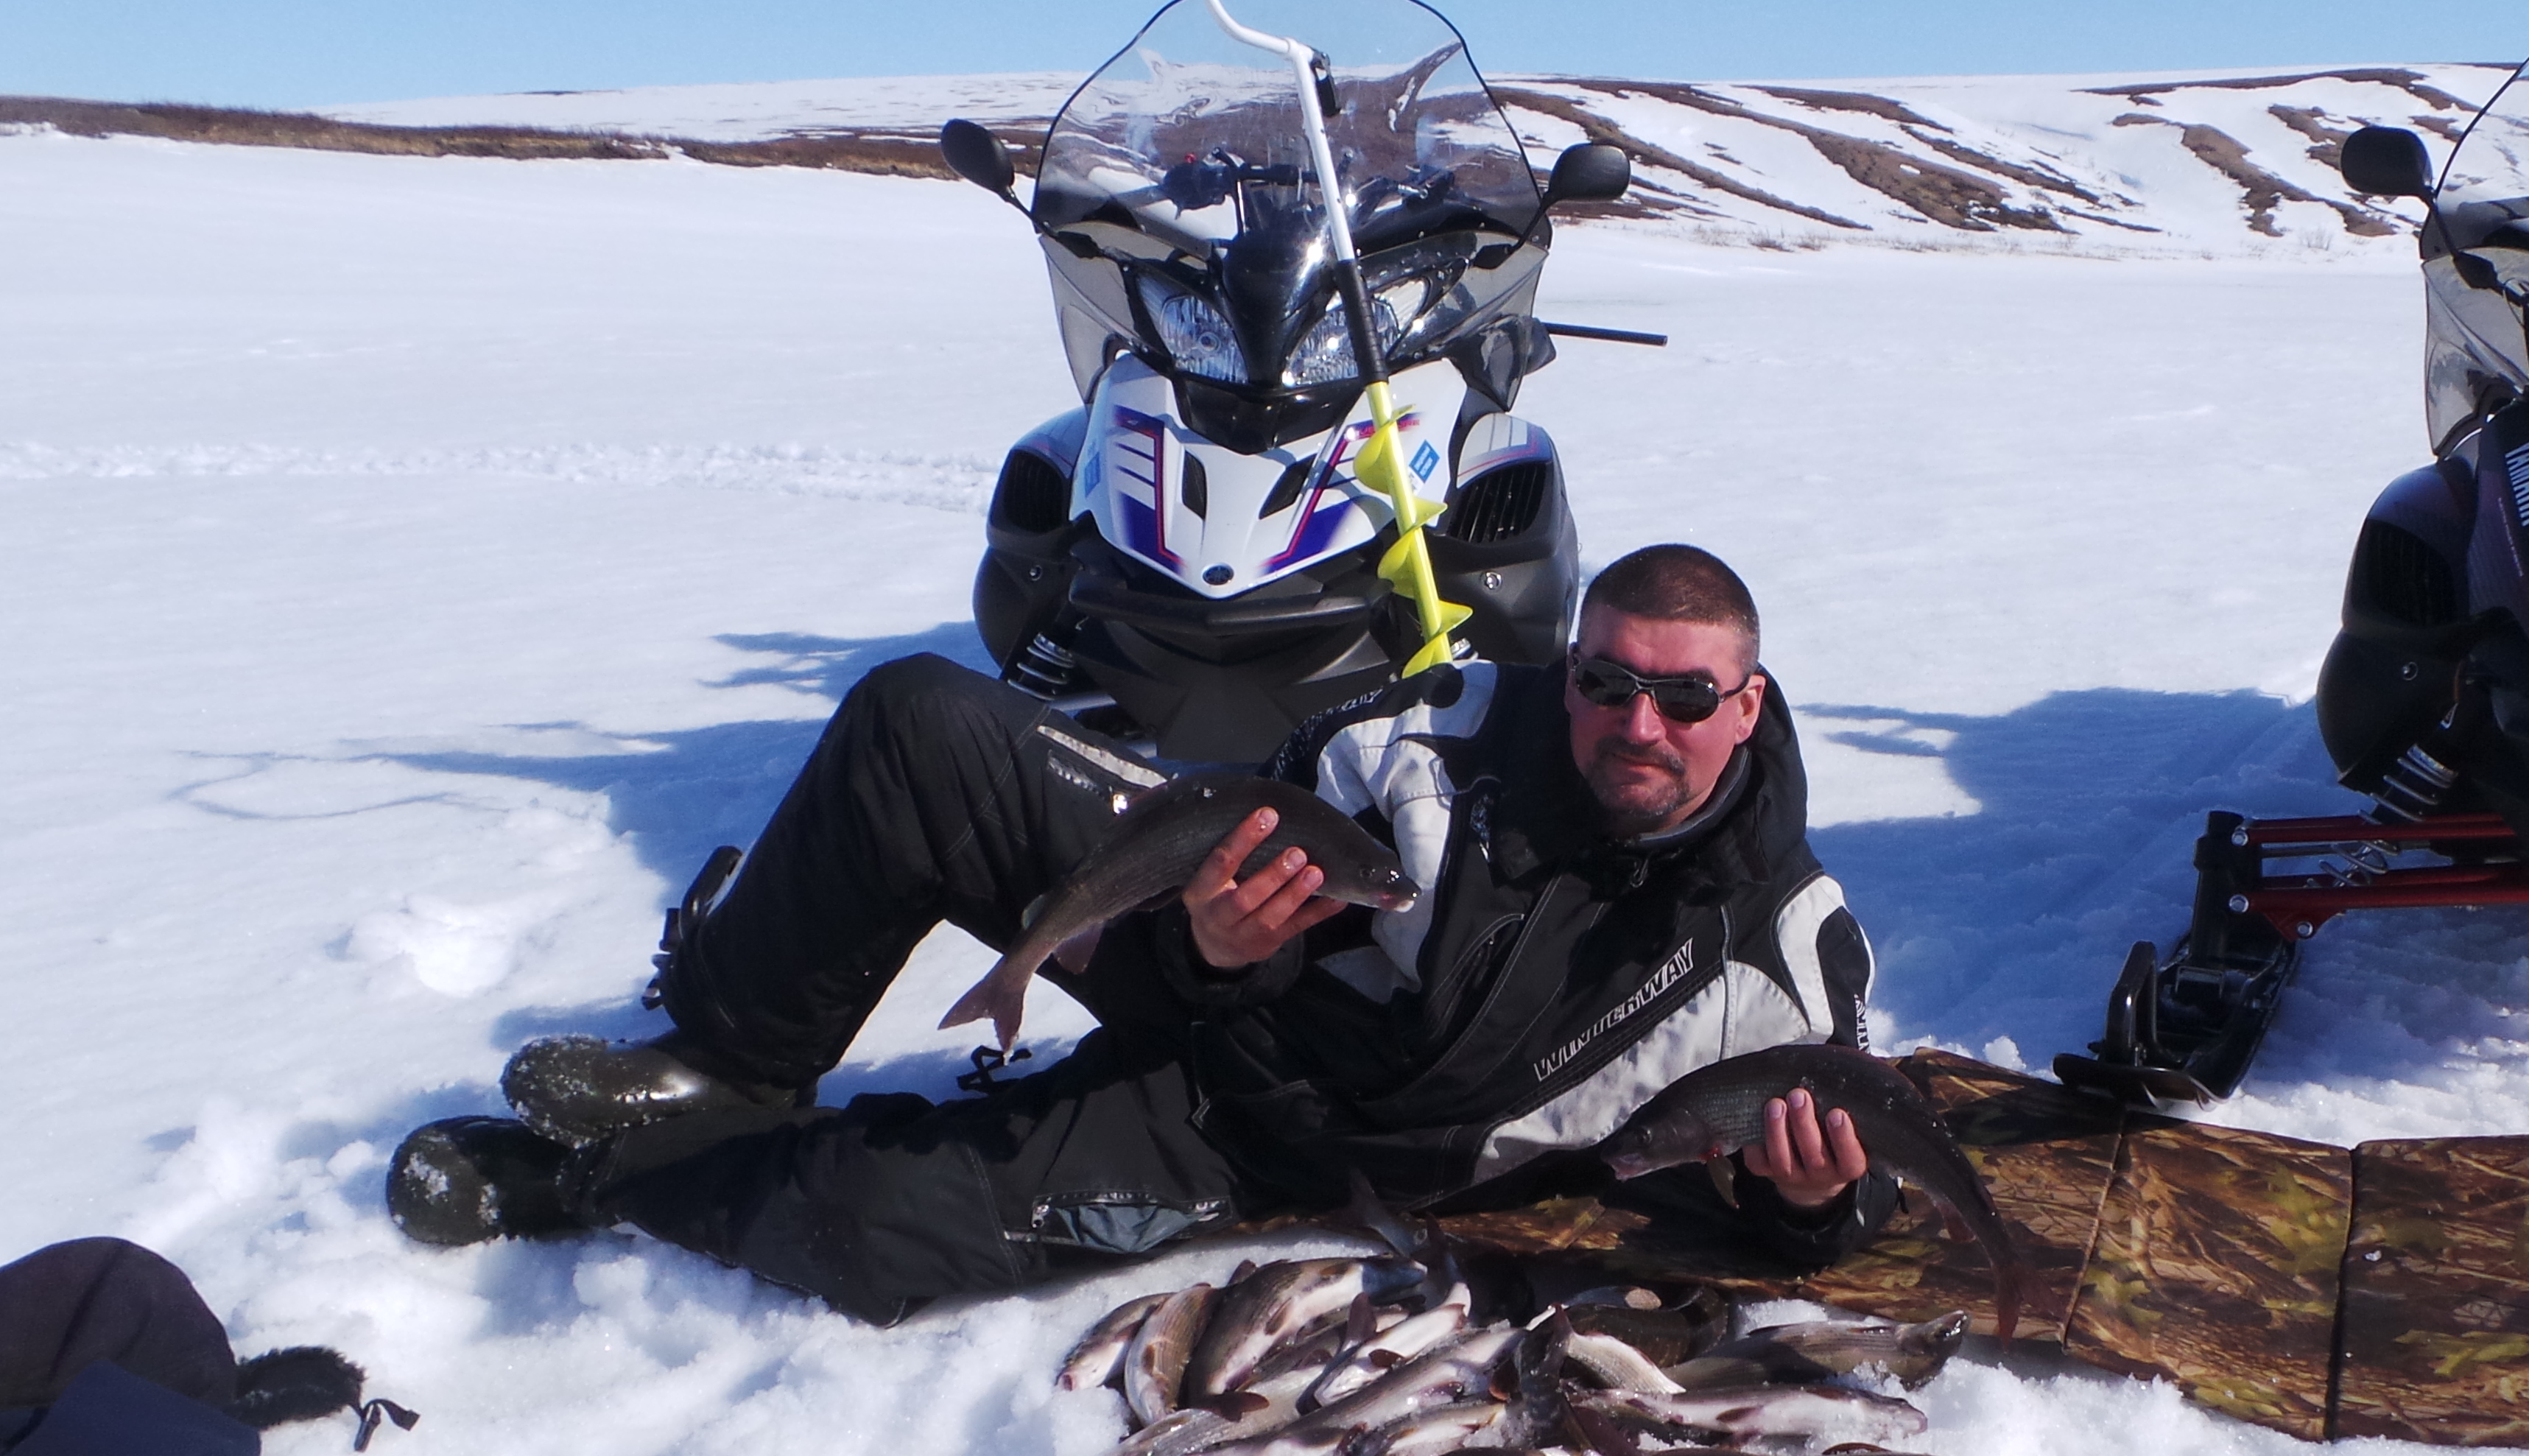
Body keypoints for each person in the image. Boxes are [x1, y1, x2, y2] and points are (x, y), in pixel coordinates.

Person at [387, 545, 1894, 1325]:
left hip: (1271, 1140)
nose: (1638, 723)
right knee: (922, 724)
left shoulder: (1788, 950)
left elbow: (1821, 1195)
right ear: (1568, 668)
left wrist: (1812, 1211)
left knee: (867, 1231)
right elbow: (1254, 821)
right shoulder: (1436, 739)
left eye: (1686, 697)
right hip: (1226, 982)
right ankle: (728, 1060)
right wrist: (1213, 952)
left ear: (1747, 704)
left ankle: (619, 1180)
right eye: (1606, 683)